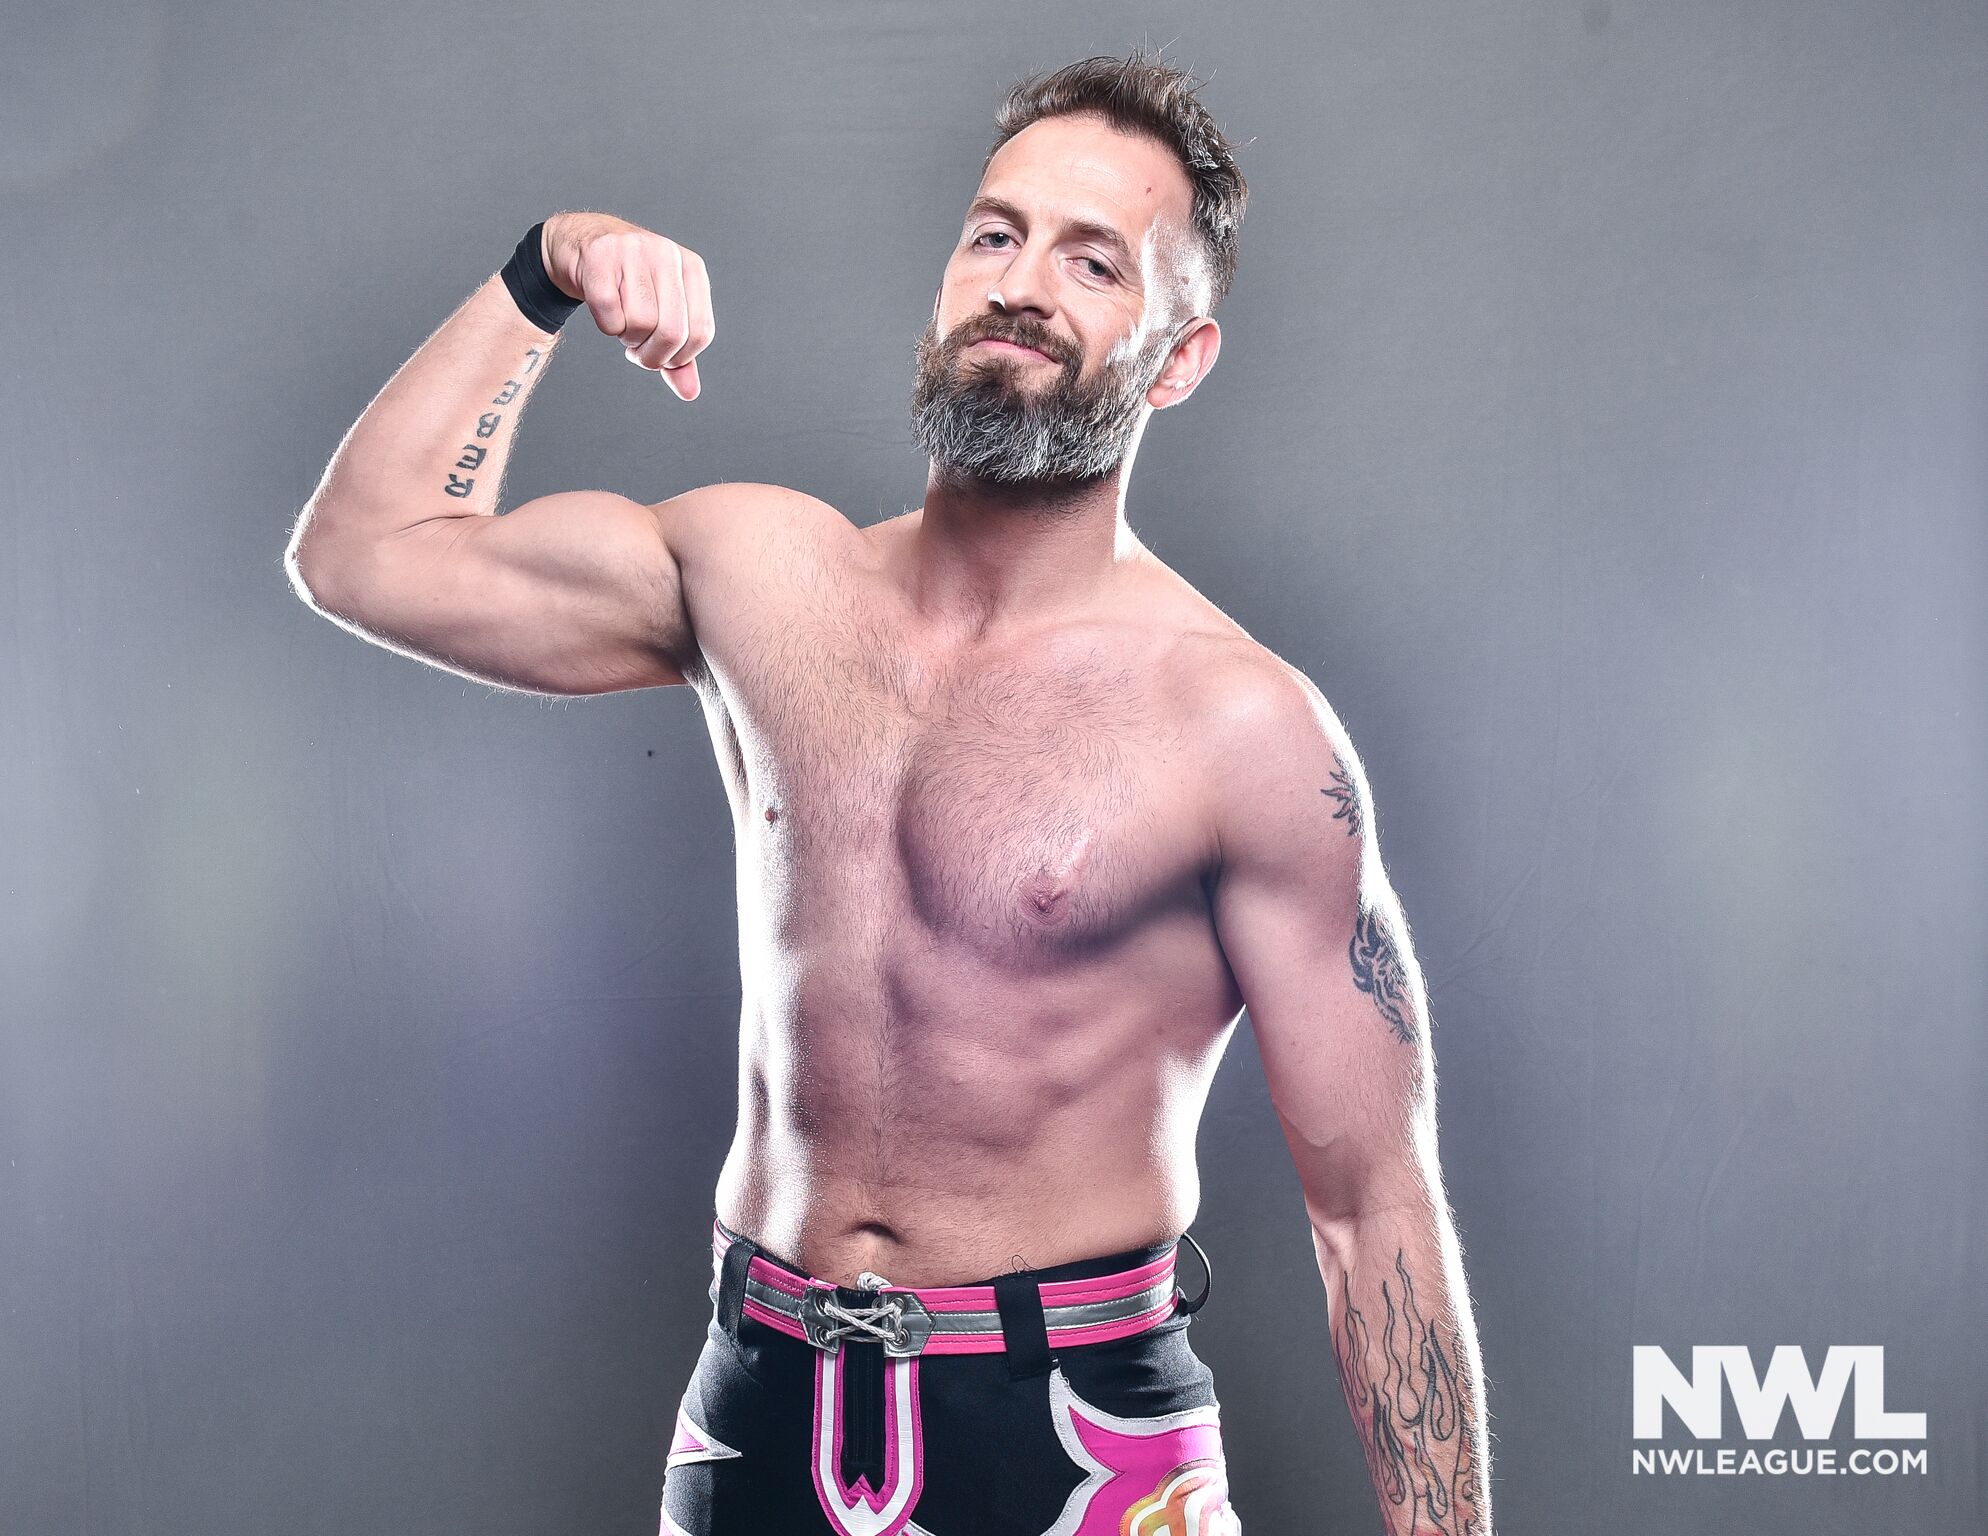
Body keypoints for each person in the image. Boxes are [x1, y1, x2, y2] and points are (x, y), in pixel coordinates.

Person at [285, 50, 1491, 1536]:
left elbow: (1373, 1212)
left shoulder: (1240, 727)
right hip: (759, 1410)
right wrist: (547, 269)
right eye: (996, 234)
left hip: (1077, 1436)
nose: (1020, 285)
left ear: (1179, 359)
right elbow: (363, 554)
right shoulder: (762, 580)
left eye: (1094, 261)